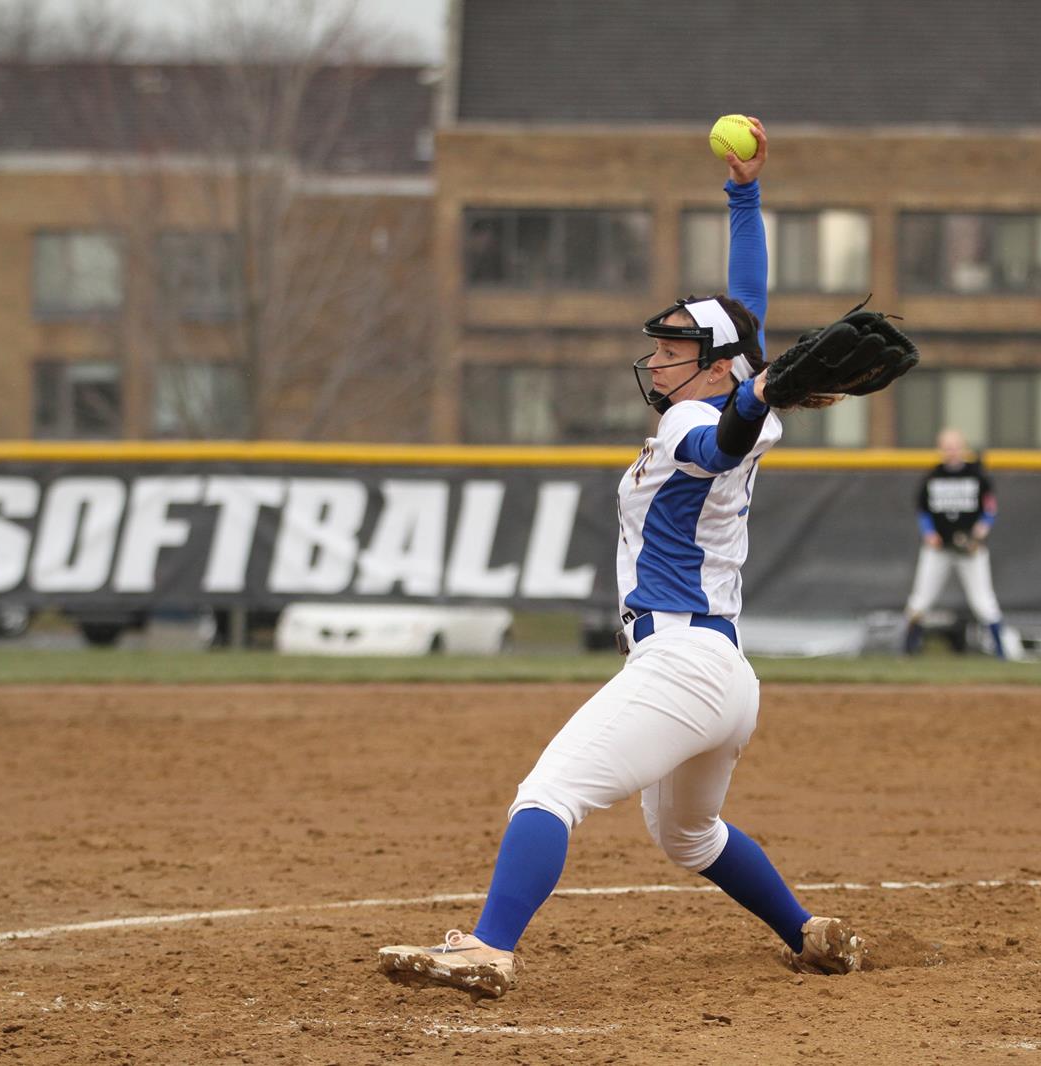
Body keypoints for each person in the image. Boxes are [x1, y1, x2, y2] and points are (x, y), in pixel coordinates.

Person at [378, 118, 865, 1000]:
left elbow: (720, 441)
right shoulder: (720, 393)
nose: (656, 358)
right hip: (723, 674)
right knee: (688, 836)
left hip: (681, 661)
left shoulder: (696, 421)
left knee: (549, 789)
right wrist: (745, 195)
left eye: (674, 350)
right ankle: (810, 932)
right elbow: (744, 316)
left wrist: (753, 394)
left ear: (714, 371)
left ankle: (489, 946)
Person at [902, 428, 1006, 659]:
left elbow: (990, 510)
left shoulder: (977, 475)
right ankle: (908, 651)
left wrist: (979, 532)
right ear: (940, 449)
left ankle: (1001, 653)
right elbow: (923, 511)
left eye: (955, 446)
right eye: (946, 447)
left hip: (970, 550)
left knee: (983, 602)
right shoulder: (933, 476)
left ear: (963, 448)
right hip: (938, 549)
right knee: (921, 599)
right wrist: (929, 533)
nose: (951, 451)